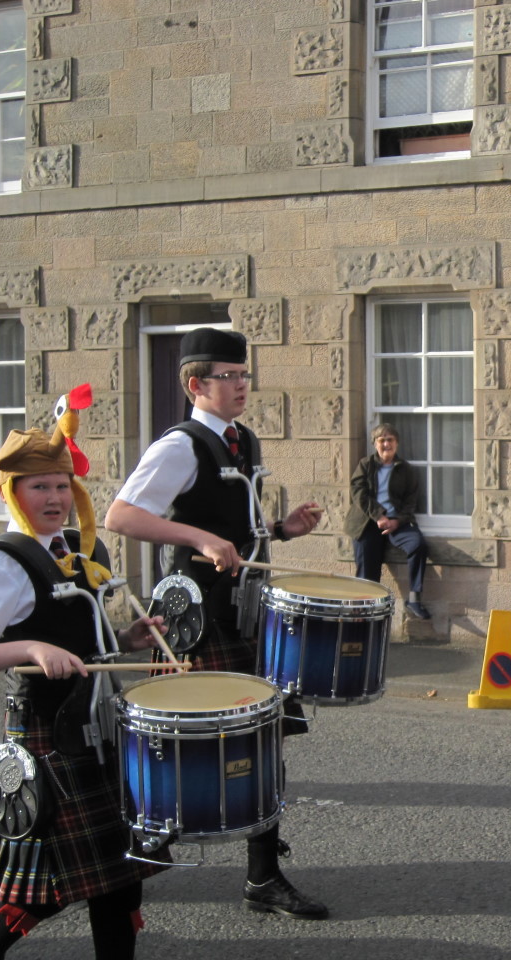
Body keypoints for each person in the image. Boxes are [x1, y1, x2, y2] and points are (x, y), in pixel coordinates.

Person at [104, 327, 328, 920]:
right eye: (229, 377)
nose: (241, 386)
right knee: (184, 748)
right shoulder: (179, 446)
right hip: (198, 617)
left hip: (247, 610)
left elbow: (238, 526)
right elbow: (122, 514)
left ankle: (262, 877)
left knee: (261, 737)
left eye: (244, 375)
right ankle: (131, 862)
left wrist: (281, 531)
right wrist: (198, 537)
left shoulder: (243, 440)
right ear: (194, 384)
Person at [0, 414, 168, 960]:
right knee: (54, 881)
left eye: (60, 485)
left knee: (122, 871)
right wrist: (28, 650)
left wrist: (125, 637)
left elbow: (81, 638)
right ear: (12, 491)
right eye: (39, 487)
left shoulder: (83, 550)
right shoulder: (1, 565)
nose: (54, 498)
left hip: (100, 727)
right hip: (47, 733)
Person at [344, 422, 431, 619]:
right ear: (375, 444)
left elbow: (411, 501)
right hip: (367, 522)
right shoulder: (365, 465)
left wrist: (397, 521)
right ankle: (365, 610)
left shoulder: (406, 469)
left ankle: (414, 599)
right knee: (368, 566)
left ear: (397, 443)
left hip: (397, 522)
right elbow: (359, 494)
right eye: (381, 441)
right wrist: (379, 516)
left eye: (389, 440)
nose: (386, 445)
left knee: (418, 545)